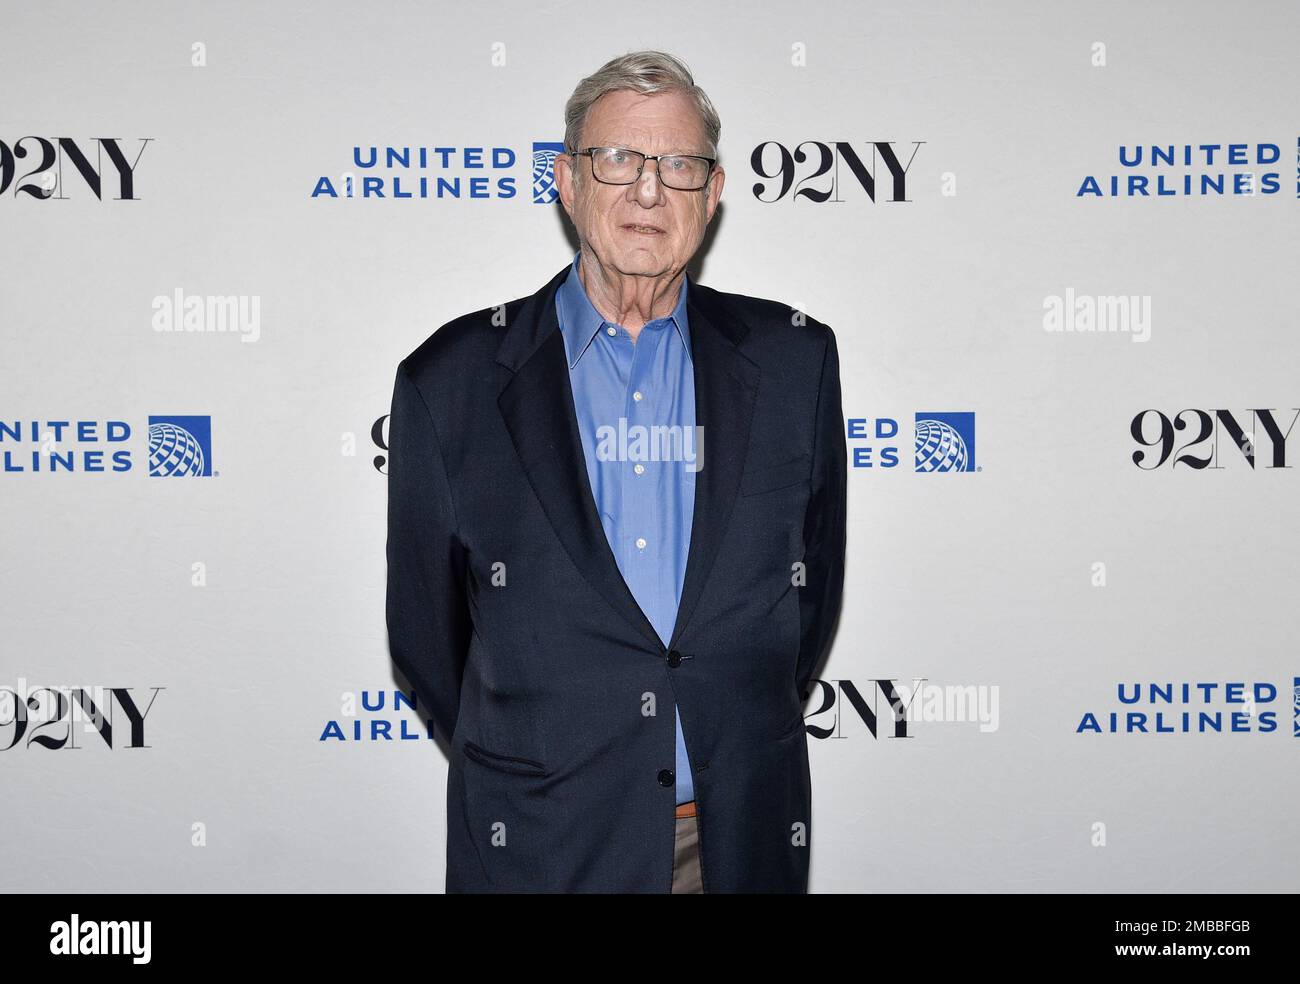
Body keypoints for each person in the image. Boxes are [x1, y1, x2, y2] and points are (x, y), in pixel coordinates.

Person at [386, 49, 846, 893]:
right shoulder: (449, 381)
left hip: (733, 839)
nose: (647, 190)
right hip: (539, 837)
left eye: (678, 165)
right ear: (566, 182)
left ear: (711, 196)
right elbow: (427, 639)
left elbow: (806, 604)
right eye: (618, 160)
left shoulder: (796, 363)